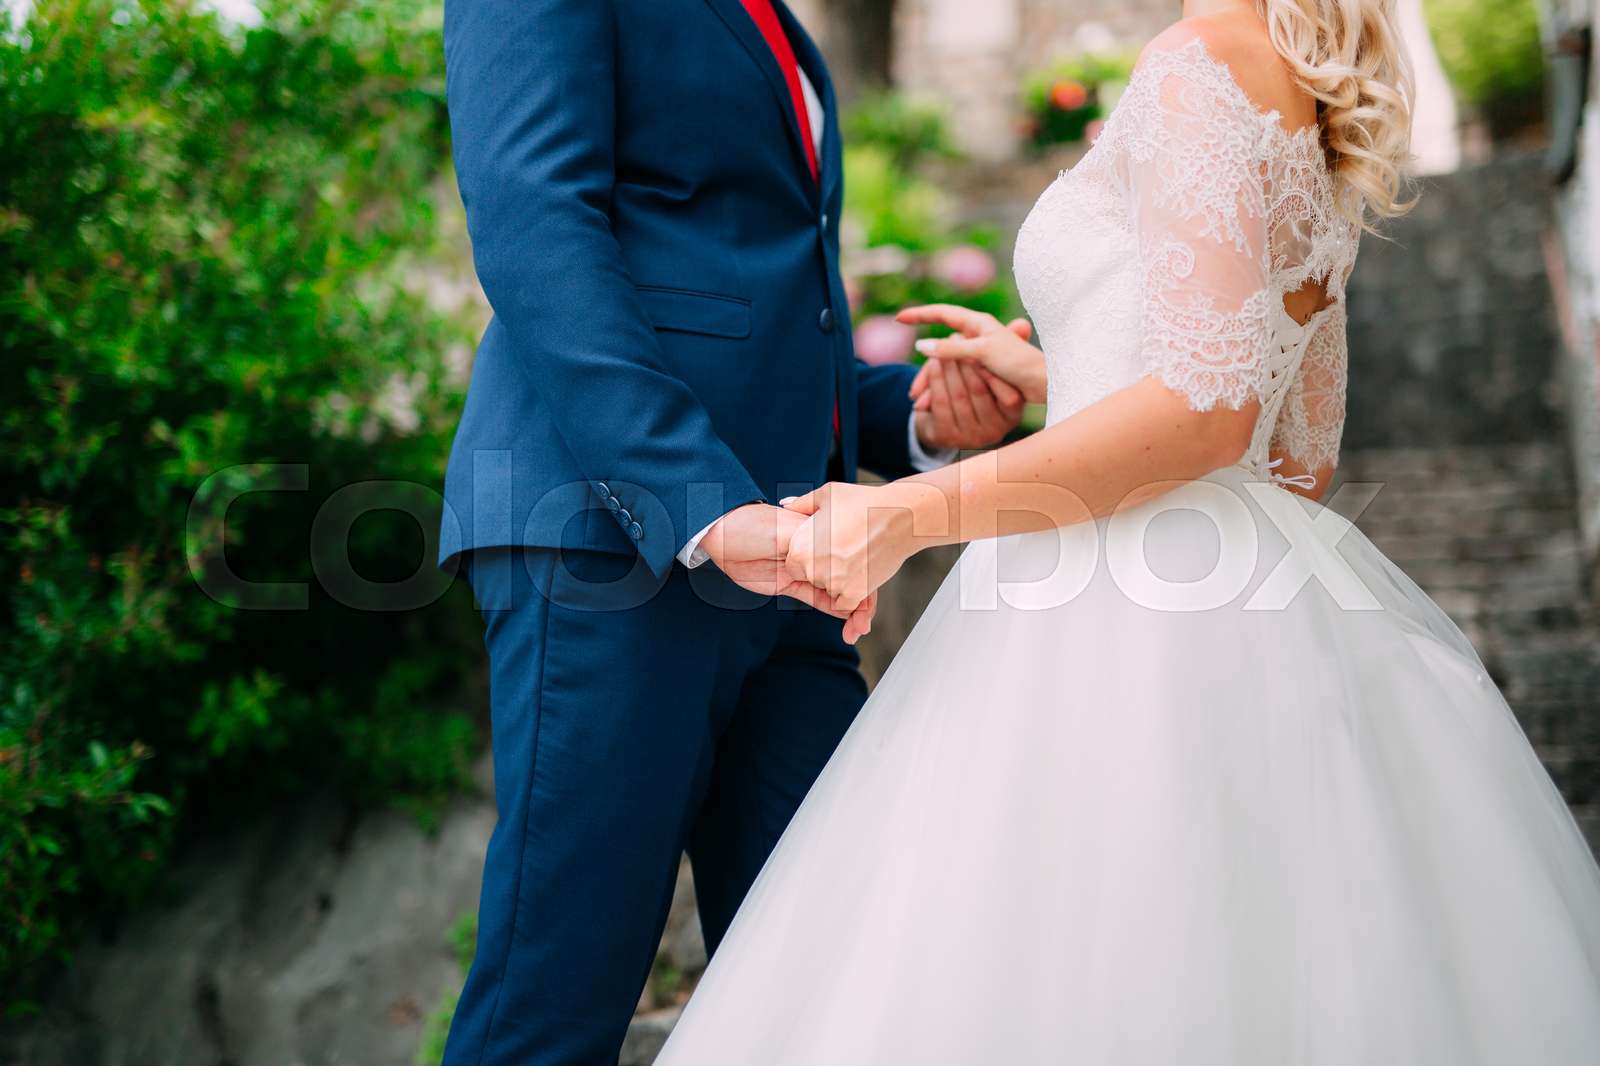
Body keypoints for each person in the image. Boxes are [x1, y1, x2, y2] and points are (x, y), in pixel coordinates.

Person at [654, 1, 1600, 1061]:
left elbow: (1203, 413)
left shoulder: (1195, 63)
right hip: (1255, 587)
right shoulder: (1303, 87)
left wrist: (902, 511)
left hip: (1104, 604)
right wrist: (1065, 378)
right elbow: (1293, 454)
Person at [432, 1, 1025, 1063]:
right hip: (609, 541)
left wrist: (918, 421)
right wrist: (701, 505)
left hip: (789, 560)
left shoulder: (772, 20)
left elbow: (743, 301)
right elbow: (533, 223)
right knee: (555, 1003)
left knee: (835, 987)